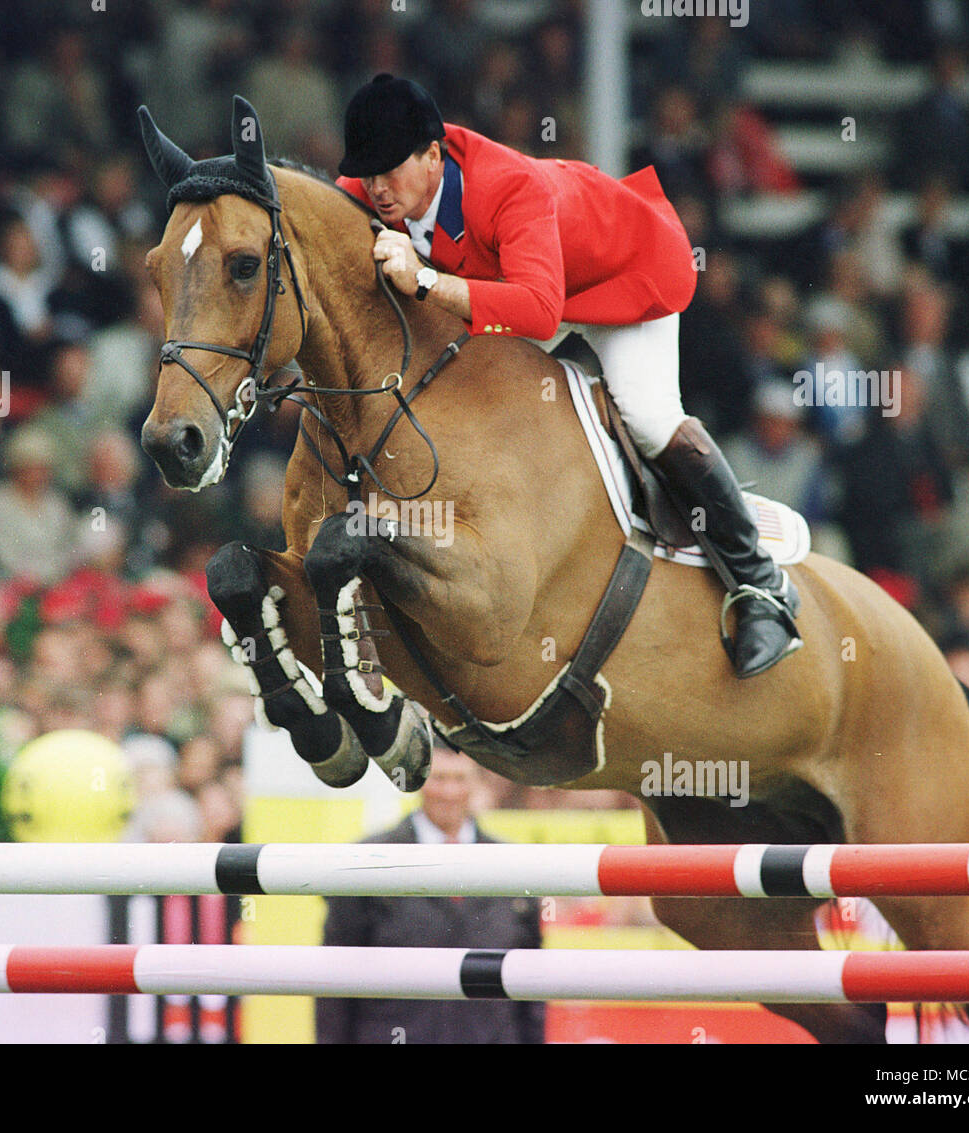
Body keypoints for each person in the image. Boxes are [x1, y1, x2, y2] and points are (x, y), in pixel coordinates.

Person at [335, 74, 800, 678]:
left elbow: (536, 310)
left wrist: (424, 280)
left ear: (433, 154)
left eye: (387, 172)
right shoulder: (376, 186)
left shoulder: (507, 187)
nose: (375, 190)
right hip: (526, 287)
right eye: (366, 175)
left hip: (623, 279)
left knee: (649, 418)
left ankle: (761, 586)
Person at [315, 745, 545, 1045]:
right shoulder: (369, 862)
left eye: (459, 778)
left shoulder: (512, 867)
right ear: (417, 782)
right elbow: (335, 982)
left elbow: (531, 987)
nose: (449, 791)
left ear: (477, 783)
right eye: (439, 778)